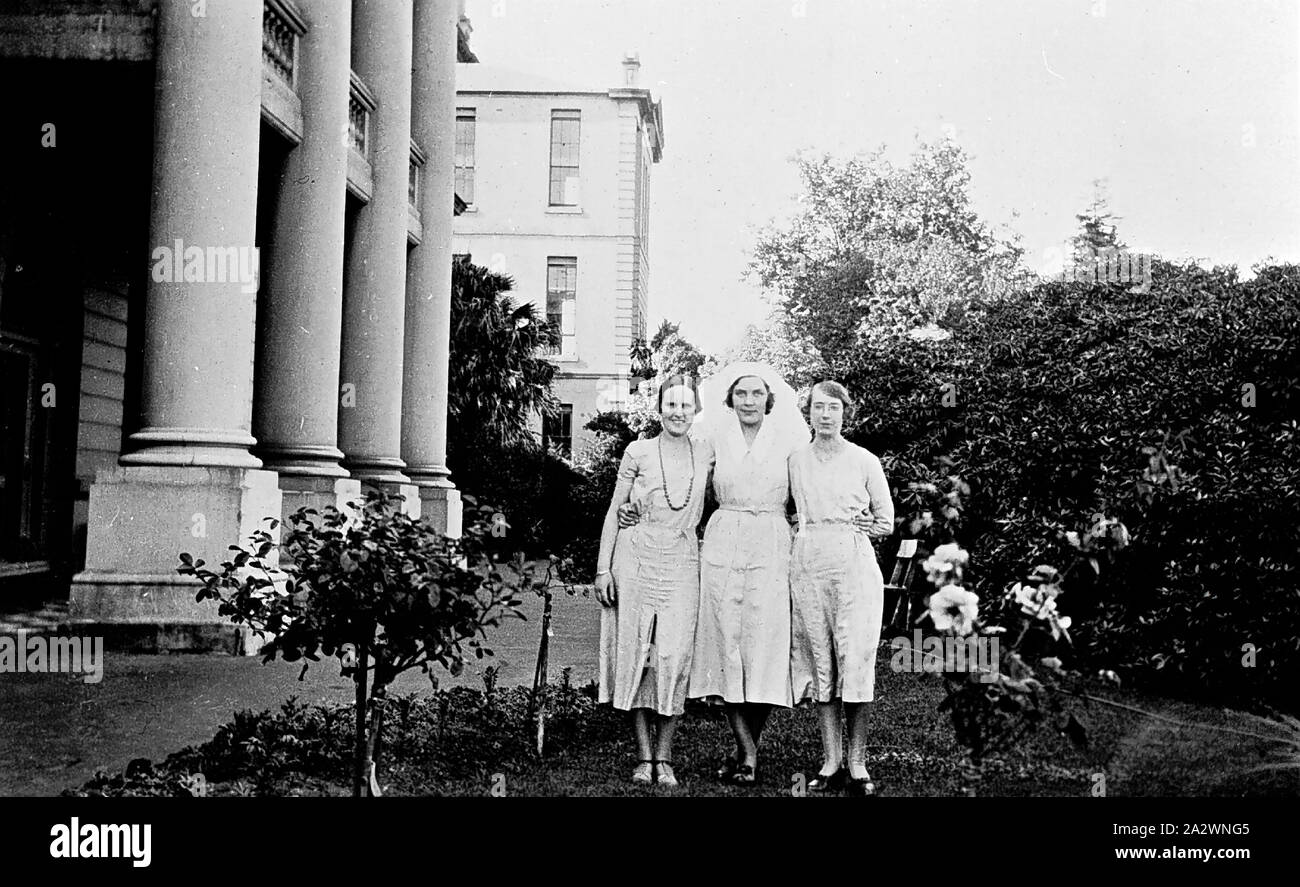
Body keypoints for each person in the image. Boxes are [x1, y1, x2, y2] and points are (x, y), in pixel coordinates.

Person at [595, 374, 712, 788]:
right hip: (636, 555)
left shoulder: (707, 451)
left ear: (696, 409)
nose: (678, 412)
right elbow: (614, 509)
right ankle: (644, 756)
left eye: (685, 405)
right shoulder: (638, 450)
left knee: (674, 654)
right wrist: (603, 568)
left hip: (682, 558)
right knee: (639, 651)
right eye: (671, 405)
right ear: (658, 408)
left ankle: (666, 756)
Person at [788, 380, 895, 796]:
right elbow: (782, 506)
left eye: (834, 407)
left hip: (853, 565)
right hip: (809, 563)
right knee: (822, 662)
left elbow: (886, 519)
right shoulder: (796, 460)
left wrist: (867, 525)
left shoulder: (864, 460)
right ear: (808, 414)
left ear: (845, 412)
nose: (826, 415)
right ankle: (831, 759)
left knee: (855, 660)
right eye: (818, 407)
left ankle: (858, 761)